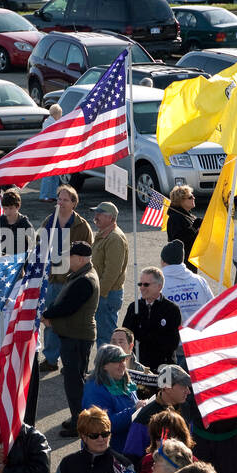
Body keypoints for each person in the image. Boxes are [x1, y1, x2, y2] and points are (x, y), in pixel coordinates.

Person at [42, 240, 99, 437]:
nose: (67, 258)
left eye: (71, 256)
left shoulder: (85, 280)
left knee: (75, 382)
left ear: (81, 259)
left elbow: (69, 307)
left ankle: (80, 423)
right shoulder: (81, 275)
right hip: (74, 335)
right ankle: (78, 417)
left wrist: (47, 314)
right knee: (75, 380)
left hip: (76, 337)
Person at [38, 185, 93, 372]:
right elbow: (40, 247)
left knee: (69, 321)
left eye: (65, 200)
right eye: (59, 199)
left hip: (72, 281)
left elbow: (87, 253)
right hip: (52, 279)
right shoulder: (49, 221)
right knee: (50, 319)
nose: (60, 203)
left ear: (74, 203)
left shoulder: (81, 226)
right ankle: (51, 359)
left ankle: (69, 361)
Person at [122, 268, 183, 372]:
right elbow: (126, 336)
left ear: (159, 286)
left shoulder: (171, 309)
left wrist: (145, 335)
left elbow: (172, 343)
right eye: (140, 284)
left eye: (146, 284)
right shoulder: (134, 307)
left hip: (164, 368)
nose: (142, 288)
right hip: (138, 367)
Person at [81, 344, 139, 450]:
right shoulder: (95, 391)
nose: (122, 365)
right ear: (104, 366)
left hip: (128, 446)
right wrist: (134, 411)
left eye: (123, 360)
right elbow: (102, 425)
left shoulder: (126, 381)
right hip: (107, 452)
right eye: (117, 361)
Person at [90, 201, 129, 349]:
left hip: (107, 294)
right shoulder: (104, 234)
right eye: (96, 213)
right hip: (104, 293)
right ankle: (105, 366)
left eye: (100, 214)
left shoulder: (114, 238)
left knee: (106, 336)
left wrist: (100, 292)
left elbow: (112, 271)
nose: (96, 216)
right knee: (103, 333)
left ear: (111, 218)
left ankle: (107, 368)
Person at [159, 239, 212, 325]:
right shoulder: (200, 281)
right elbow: (212, 308)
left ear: (163, 261)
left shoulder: (156, 284)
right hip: (197, 334)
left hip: (170, 336)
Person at [165, 183, 202, 270]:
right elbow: (178, 240)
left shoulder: (187, 215)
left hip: (190, 258)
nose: (194, 198)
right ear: (180, 201)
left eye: (193, 196)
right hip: (181, 262)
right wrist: (194, 227)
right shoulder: (175, 218)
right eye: (190, 197)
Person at [0, 189, 33, 258]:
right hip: (0, 262)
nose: (8, 212)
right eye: (5, 208)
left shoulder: (25, 224)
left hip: (19, 263)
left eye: (11, 208)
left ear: (18, 207)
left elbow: (32, 247)